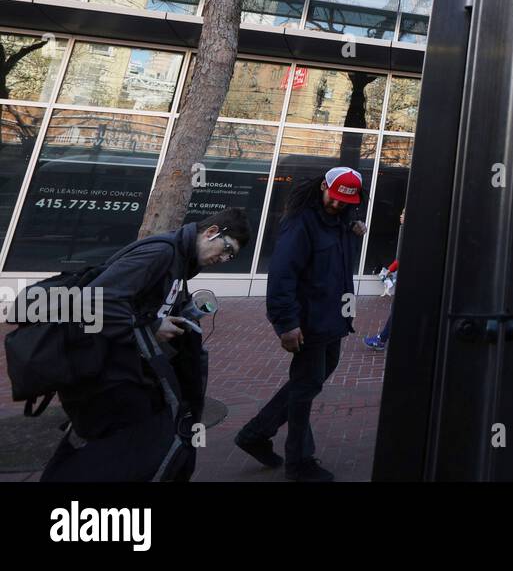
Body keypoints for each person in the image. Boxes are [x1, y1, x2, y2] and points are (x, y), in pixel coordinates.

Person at [40, 207, 251, 482]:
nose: (223, 258)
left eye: (231, 256)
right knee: (120, 447)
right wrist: (151, 326)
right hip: (105, 372)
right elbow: (93, 301)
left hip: (123, 370)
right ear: (212, 232)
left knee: (115, 445)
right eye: (226, 249)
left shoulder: (181, 262)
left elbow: (145, 305)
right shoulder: (161, 252)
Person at [235, 166, 364, 481]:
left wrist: (351, 226)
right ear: (323, 186)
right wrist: (286, 323)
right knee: (305, 387)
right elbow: (282, 275)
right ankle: (299, 462)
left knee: (311, 381)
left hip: (333, 318)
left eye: (345, 202)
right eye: (333, 198)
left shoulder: (342, 221)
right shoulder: (301, 223)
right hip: (308, 322)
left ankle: (255, 433)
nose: (336, 204)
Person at [365, 208, 403, 351]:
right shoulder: (405, 229)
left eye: (404, 214)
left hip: (406, 276)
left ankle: (382, 339)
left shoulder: (408, 231)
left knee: (397, 309)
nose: (400, 215)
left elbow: (401, 257)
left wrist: (390, 270)